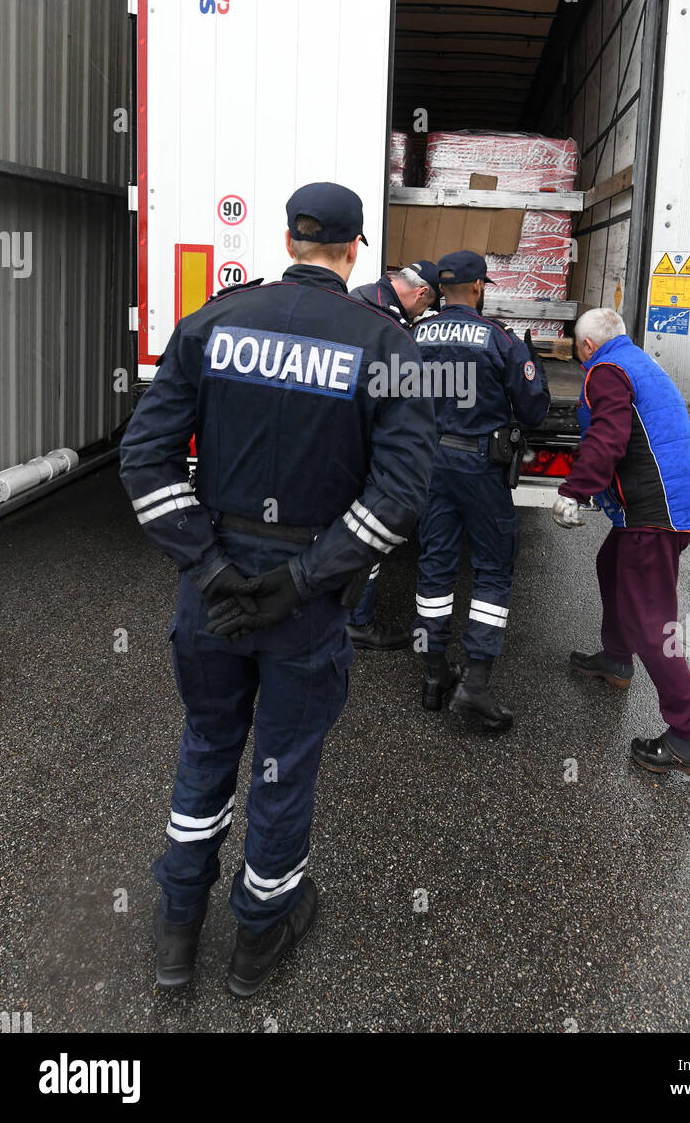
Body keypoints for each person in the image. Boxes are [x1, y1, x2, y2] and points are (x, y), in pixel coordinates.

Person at [119, 182, 435, 995]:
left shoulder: (213, 323)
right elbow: (398, 496)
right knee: (283, 766)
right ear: (356, 249)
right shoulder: (385, 345)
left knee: (207, 746)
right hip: (303, 602)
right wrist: (302, 579)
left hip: (214, 591)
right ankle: (259, 940)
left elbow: (146, 460)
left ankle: (175, 937)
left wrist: (208, 563)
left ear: (289, 238)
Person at [551, 307, 690, 778]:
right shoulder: (641, 361)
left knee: (650, 619)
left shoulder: (605, 371)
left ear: (585, 347)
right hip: (669, 506)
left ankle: (689, 735)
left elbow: (609, 436)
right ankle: (616, 660)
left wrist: (574, 491)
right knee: (610, 564)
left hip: (654, 514)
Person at [412, 250, 550, 731]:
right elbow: (533, 410)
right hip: (478, 465)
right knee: (492, 569)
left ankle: (433, 674)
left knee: (435, 565)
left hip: (428, 463)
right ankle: (475, 683)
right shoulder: (499, 340)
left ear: (441, 289)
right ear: (477, 288)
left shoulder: (415, 333)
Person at [345, 260, 442, 648]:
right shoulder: (391, 326)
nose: (424, 314)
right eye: (427, 305)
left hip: (339, 433)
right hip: (362, 440)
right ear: (420, 293)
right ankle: (356, 621)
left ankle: (332, 611)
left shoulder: (357, 297)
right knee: (368, 528)